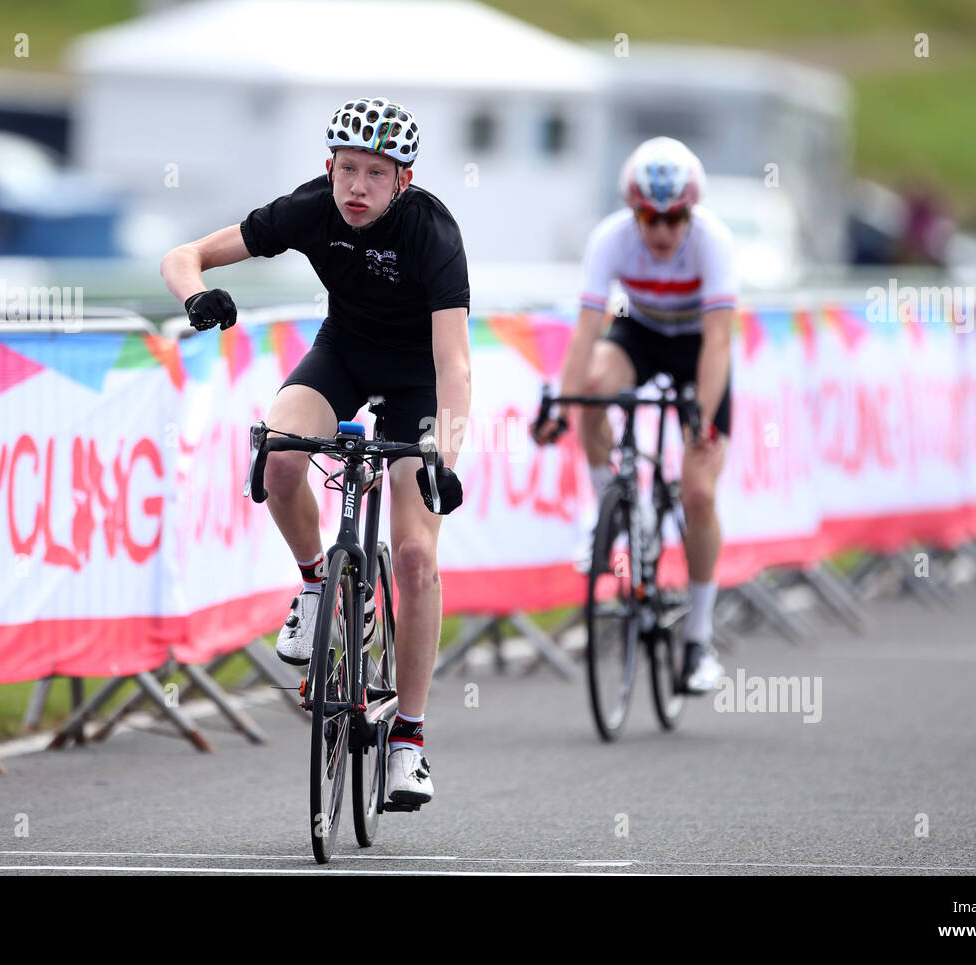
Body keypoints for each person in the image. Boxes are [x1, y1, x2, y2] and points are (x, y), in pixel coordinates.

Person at [161, 97, 470, 805]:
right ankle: (311, 583)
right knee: (279, 455)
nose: (357, 187)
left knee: (417, 553)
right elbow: (184, 257)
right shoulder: (310, 208)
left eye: (375, 174)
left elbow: (455, 363)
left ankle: (410, 741)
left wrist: (443, 454)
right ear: (328, 167)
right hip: (344, 357)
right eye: (346, 170)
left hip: (419, 376)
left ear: (405, 181)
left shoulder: (432, 232)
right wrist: (195, 297)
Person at [534, 136, 734, 695]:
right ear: (633, 210)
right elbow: (587, 331)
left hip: (699, 348)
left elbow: (719, 342)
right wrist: (565, 402)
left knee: (698, 492)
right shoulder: (611, 239)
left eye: (677, 218)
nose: (665, 231)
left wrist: (704, 420)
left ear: (692, 212)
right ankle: (613, 508)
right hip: (642, 332)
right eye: (652, 218)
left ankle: (698, 640)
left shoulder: (712, 242)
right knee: (595, 389)